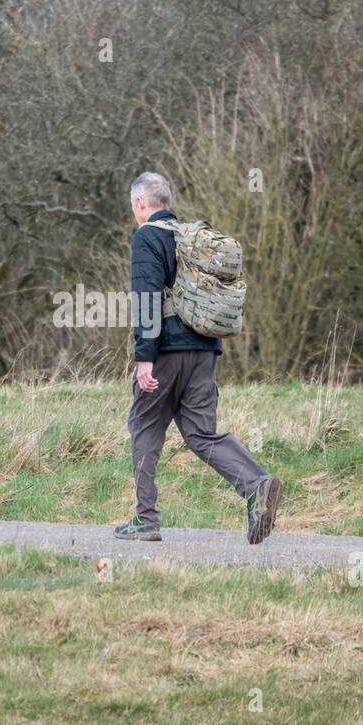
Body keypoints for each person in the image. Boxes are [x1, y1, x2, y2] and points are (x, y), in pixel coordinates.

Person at [115, 172, 282, 543]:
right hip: (205, 350)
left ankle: (146, 520)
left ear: (140, 203)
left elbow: (147, 297)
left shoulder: (148, 237)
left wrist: (144, 358)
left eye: (133, 205)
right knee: (200, 434)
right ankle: (257, 485)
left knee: (144, 427)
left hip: (167, 354)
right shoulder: (191, 238)